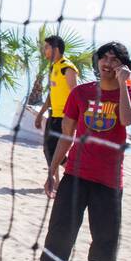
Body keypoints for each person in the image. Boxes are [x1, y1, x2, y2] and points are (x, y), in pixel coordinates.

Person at [35, 42, 131, 261]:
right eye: (104, 57)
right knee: (60, 237)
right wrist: (52, 169)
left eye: (114, 58)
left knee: (102, 248)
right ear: (97, 61)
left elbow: (128, 119)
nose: (108, 62)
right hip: (76, 177)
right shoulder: (81, 93)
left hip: (108, 184)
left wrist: (122, 85)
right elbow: (67, 134)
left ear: (122, 65)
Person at [33, 34, 80, 168]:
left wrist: (76, 118)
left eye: (46, 47)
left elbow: (76, 94)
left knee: (55, 151)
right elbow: (51, 94)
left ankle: (72, 173)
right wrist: (41, 113)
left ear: (56, 49)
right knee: (48, 150)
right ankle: (56, 182)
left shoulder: (68, 68)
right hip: (53, 114)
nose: (44, 51)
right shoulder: (54, 67)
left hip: (65, 117)